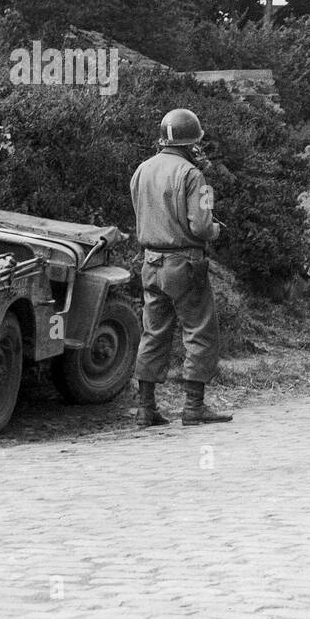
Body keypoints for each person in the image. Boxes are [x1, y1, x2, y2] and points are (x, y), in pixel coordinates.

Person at [131, 108, 232, 427]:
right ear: (193, 141)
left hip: (150, 261)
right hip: (184, 263)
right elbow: (201, 227)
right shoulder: (194, 176)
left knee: (153, 333)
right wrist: (217, 231)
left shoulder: (141, 170)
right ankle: (193, 406)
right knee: (199, 330)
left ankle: (146, 408)